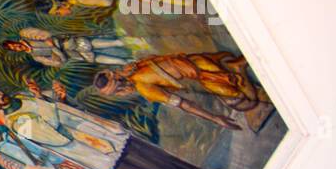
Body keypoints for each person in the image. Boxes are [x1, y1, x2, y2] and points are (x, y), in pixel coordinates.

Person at [0, 87, 224, 169]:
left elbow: (63, 106)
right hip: (88, 148)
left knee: (155, 157)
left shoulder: (25, 95)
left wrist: (57, 97)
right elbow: (52, 134)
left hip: (99, 130)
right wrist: (46, 103)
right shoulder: (17, 122)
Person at [93, 51, 269, 130]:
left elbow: (185, 105)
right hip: (198, 59)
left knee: (242, 104)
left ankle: (237, 68)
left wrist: (215, 118)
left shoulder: (144, 88)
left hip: (203, 69)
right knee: (225, 96)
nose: (121, 94)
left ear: (120, 89)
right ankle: (232, 68)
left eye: (117, 92)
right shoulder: (134, 66)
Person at [2, 27, 132, 68]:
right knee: (94, 58)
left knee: (88, 44)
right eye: (14, 49)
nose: (17, 47)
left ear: (15, 41)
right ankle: (125, 62)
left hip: (68, 42)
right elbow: (60, 62)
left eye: (14, 44)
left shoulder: (28, 36)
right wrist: (54, 49)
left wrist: (54, 47)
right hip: (72, 55)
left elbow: (47, 35)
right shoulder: (36, 57)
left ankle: (121, 42)